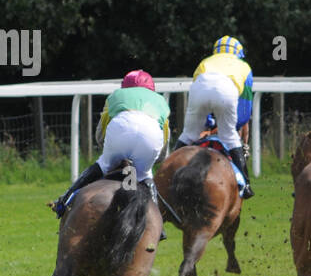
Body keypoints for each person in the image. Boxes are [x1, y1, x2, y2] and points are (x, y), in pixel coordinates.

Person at [51, 71, 170, 230]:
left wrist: (108, 154)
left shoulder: (115, 96)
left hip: (120, 133)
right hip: (150, 138)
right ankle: (158, 228)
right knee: (146, 176)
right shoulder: (161, 101)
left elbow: (100, 134)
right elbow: (164, 144)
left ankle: (63, 202)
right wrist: (150, 161)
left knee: (102, 165)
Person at [176, 36, 254, 197]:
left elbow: (202, 90)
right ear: (238, 53)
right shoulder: (244, 66)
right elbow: (244, 108)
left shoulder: (205, 62)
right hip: (227, 90)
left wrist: (207, 123)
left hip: (201, 87)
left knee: (189, 134)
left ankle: (165, 172)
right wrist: (235, 125)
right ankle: (245, 184)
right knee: (230, 136)